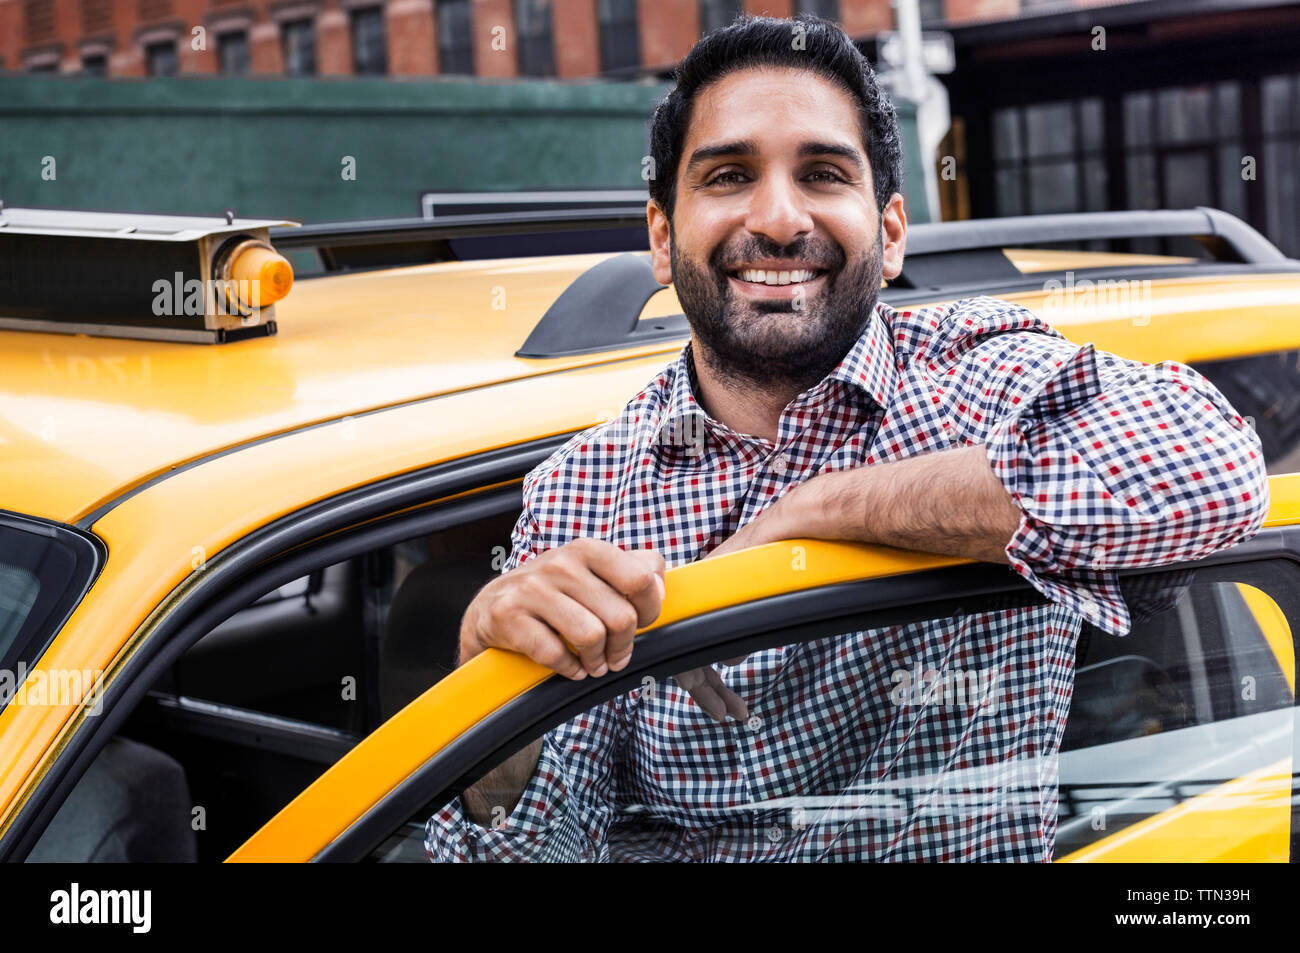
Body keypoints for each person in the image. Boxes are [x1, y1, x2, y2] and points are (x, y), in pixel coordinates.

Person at [425, 14, 1268, 862]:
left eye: (823, 173)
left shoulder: (971, 380)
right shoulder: (584, 491)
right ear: (660, 236)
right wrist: (491, 706)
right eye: (728, 175)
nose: (782, 219)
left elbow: (1215, 468)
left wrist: (817, 508)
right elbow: (527, 854)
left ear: (891, 231)